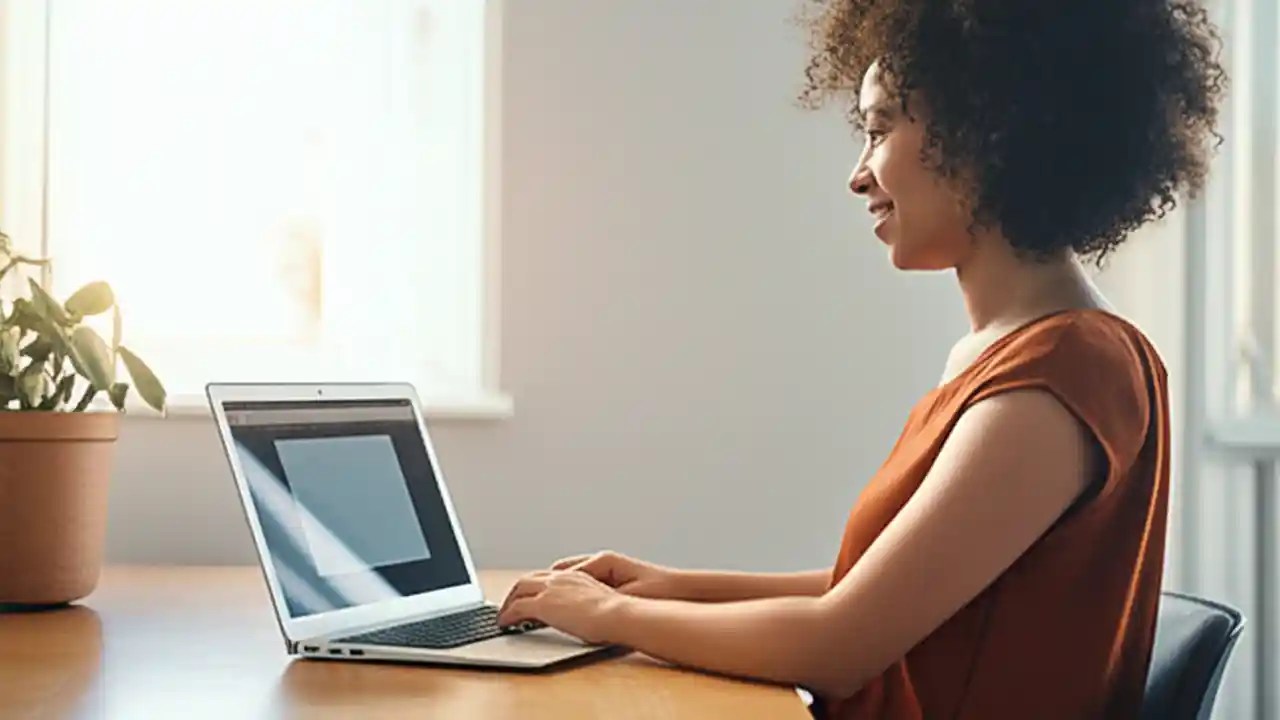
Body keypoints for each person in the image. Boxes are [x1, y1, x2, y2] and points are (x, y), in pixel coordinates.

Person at [498, 1, 1227, 717]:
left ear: (985, 135)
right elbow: (868, 594)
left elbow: (841, 646)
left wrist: (609, 618)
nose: (859, 174)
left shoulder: (1064, 372)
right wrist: (660, 586)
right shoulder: (1018, 355)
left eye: (878, 129)